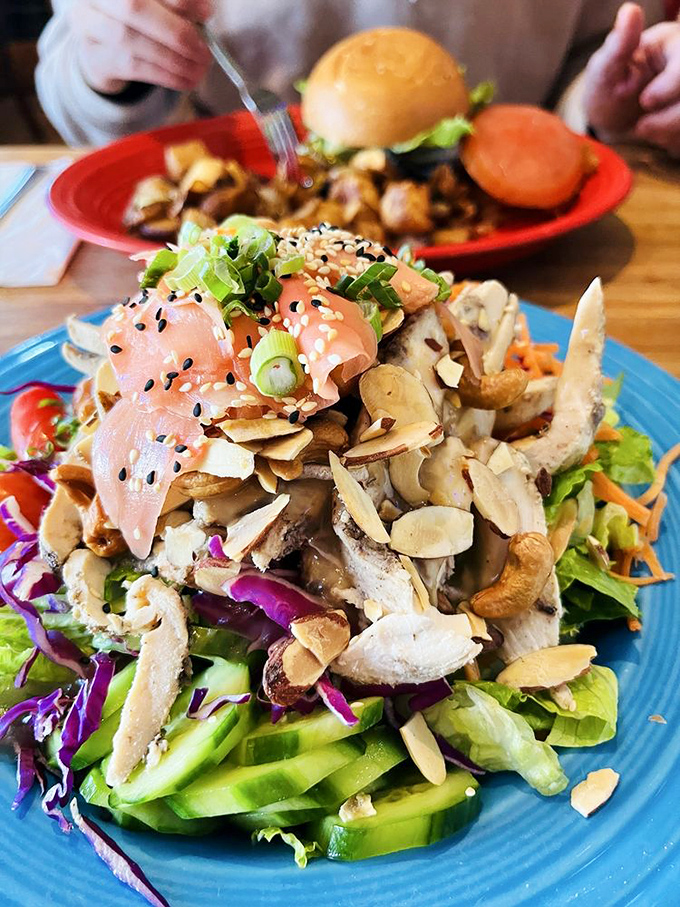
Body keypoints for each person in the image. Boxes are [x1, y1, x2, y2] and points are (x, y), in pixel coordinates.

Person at [35, 0, 680, 156]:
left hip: (533, 259)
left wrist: (606, 105)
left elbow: (609, 43)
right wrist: (111, 72)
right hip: (233, 248)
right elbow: (70, 85)